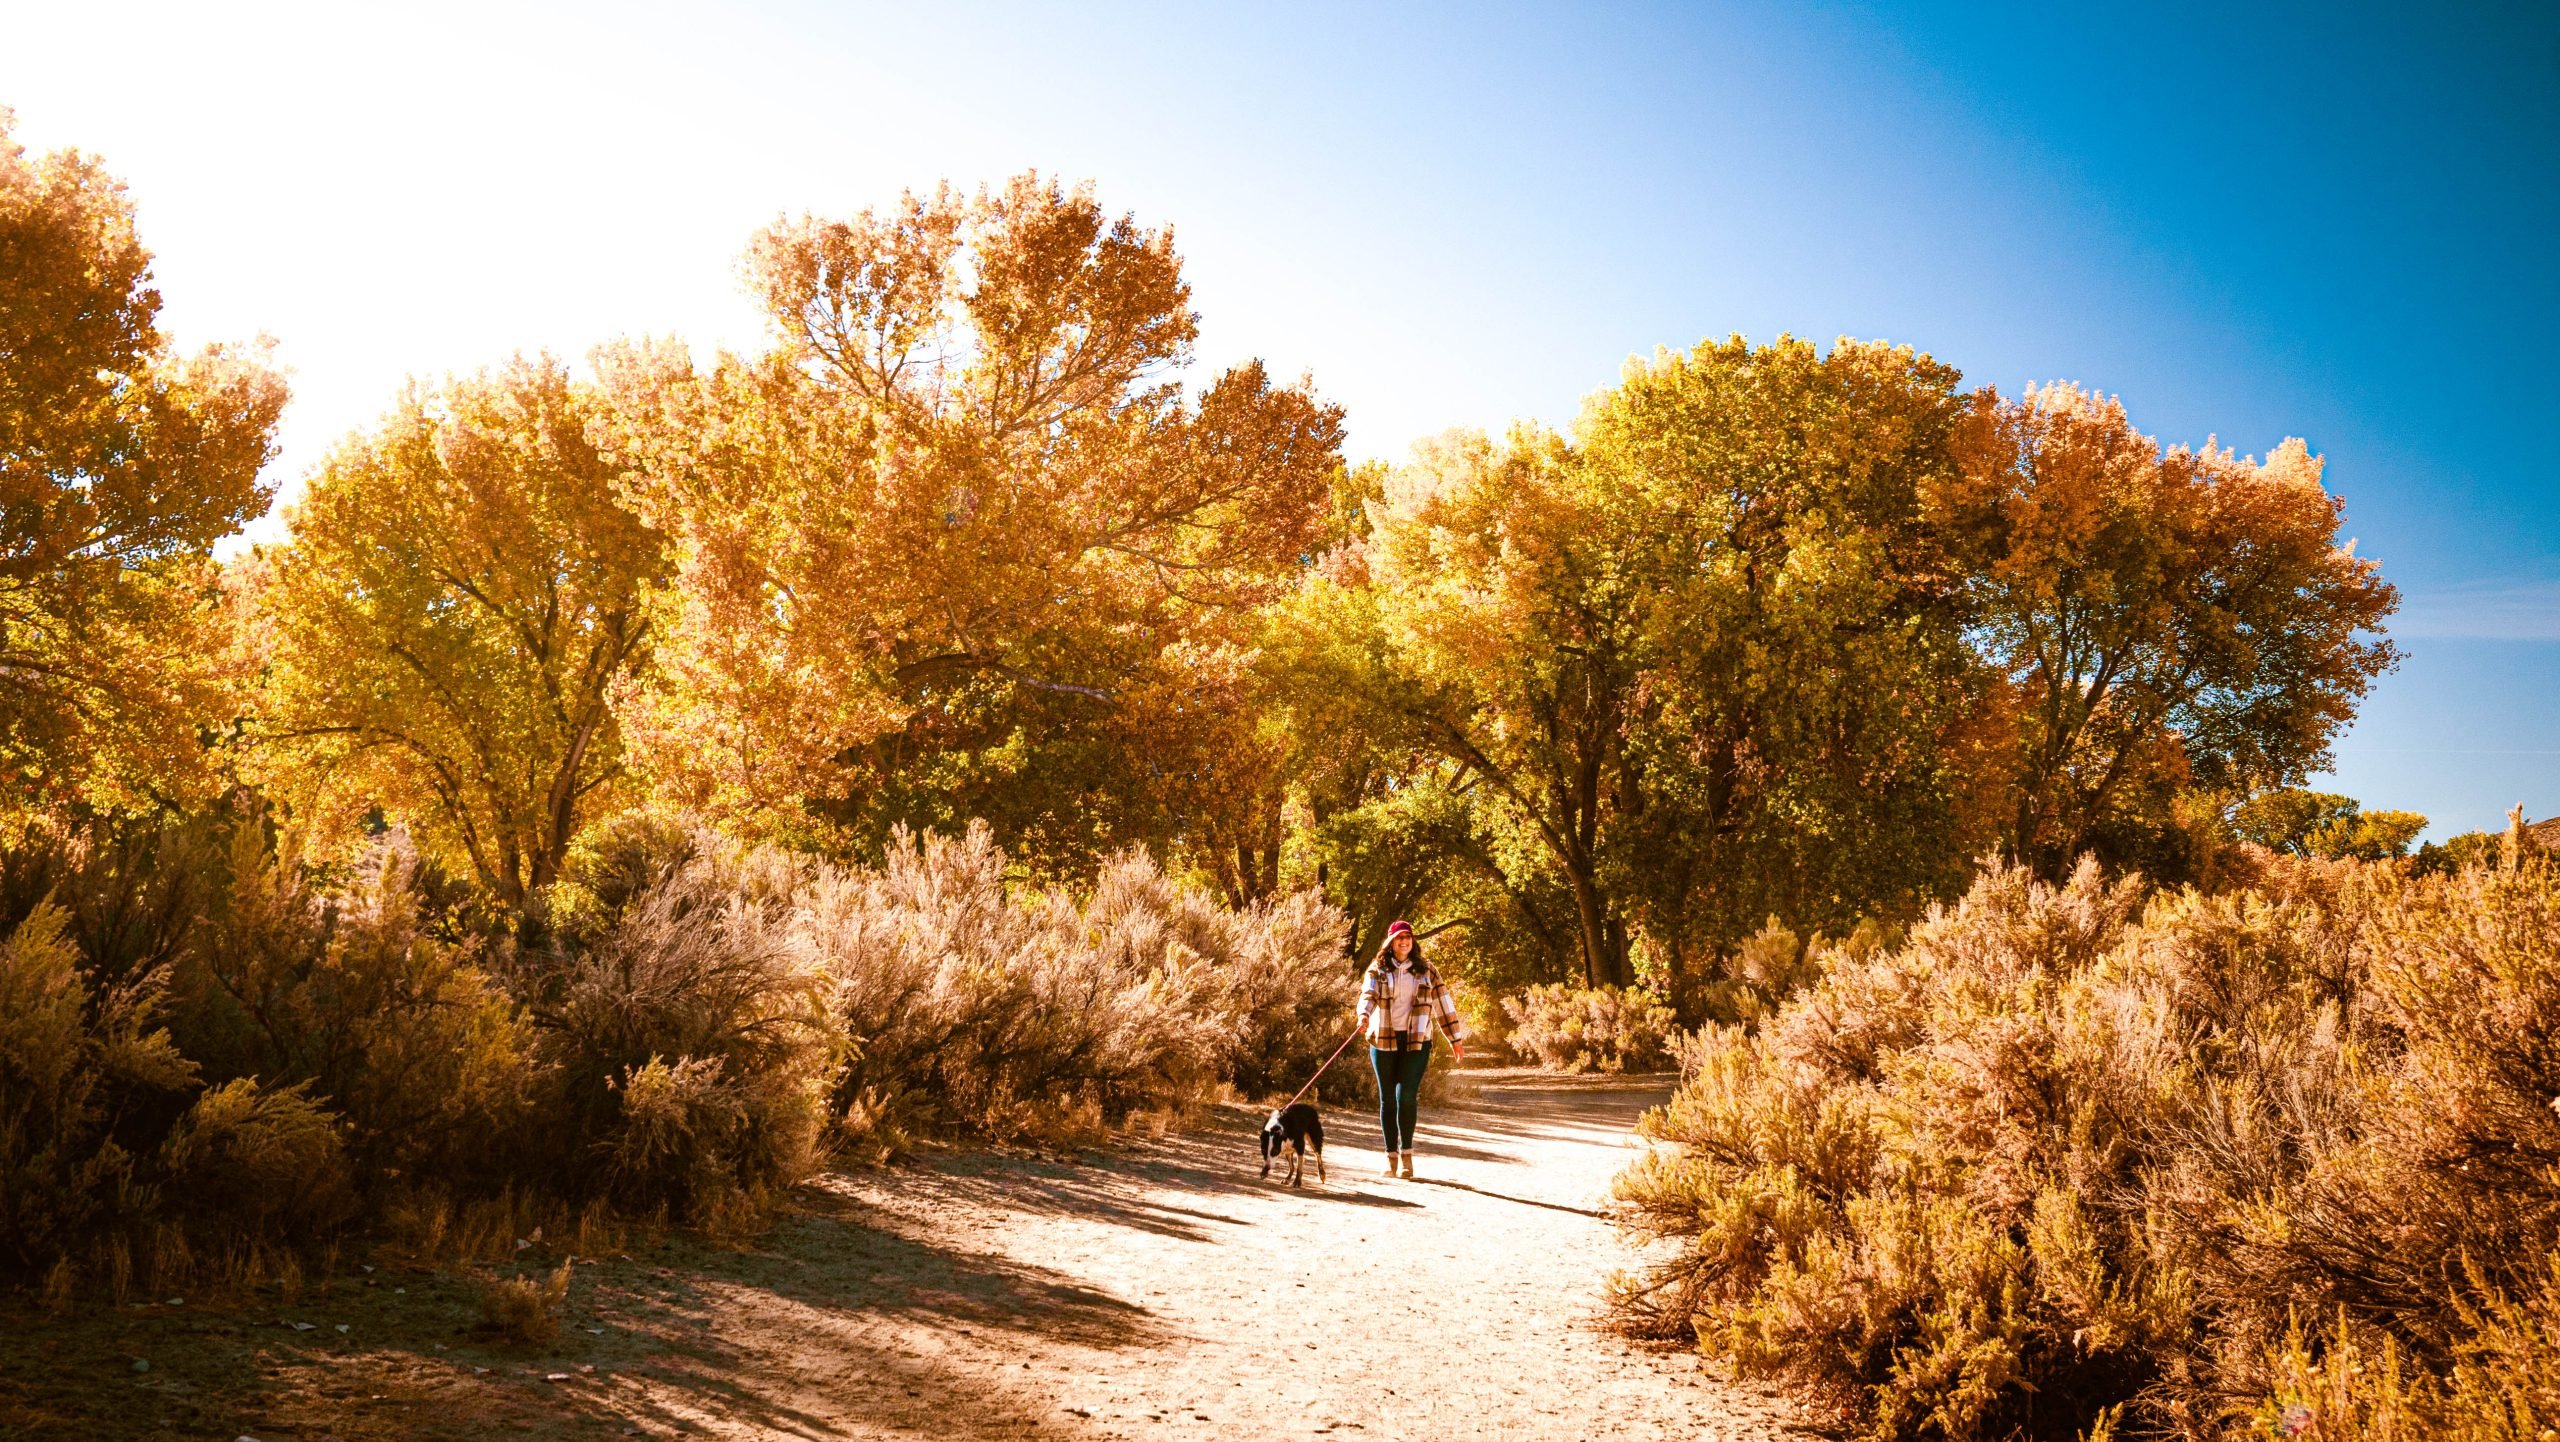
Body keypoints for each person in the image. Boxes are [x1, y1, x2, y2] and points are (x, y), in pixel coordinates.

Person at [1357, 919, 1465, 1178]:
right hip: (1384, 1039)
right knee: (1387, 1099)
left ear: (1412, 941)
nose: (1404, 942)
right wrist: (1363, 1015)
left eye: (1407, 937)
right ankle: (1390, 1159)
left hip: (1417, 1041)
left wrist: (1455, 1038)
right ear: (1390, 942)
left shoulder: (1427, 970)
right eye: (1399, 938)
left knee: (1406, 1097)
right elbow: (1368, 995)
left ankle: (1407, 1156)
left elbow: (1443, 1003)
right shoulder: (1377, 969)